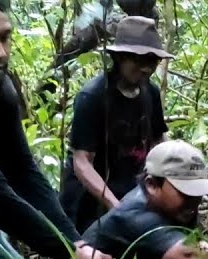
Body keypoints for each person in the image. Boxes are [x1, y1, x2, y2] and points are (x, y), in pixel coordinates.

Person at [0, 0, 111, 259]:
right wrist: (69, 254)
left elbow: (22, 173)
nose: (0, 52)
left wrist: (76, 244)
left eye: (5, 37)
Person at [59, 15, 170, 232]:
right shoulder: (93, 96)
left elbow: (159, 140)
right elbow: (82, 163)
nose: (146, 68)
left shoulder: (151, 92)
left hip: (130, 192)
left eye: (152, 61)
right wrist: (116, 208)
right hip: (90, 203)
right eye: (138, 60)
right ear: (120, 58)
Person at [81, 139, 208, 259]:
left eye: (197, 193)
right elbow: (192, 253)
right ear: (152, 184)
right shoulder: (136, 218)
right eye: (185, 192)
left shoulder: (174, 208)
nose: (193, 201)